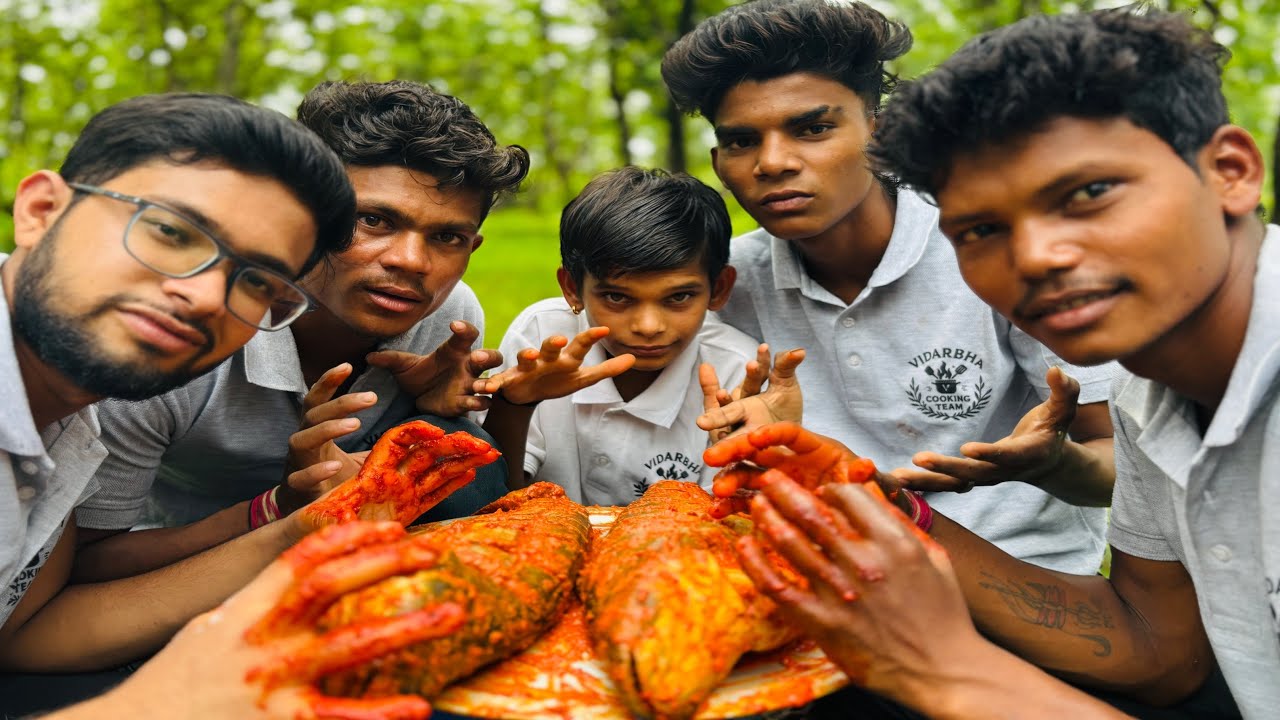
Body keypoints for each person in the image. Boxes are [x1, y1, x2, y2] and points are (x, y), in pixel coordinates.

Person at [722, 7, 1262, 718]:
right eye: (981, 229)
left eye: (1089, 194)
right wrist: (883, 507)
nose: (1034, 257)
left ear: (1230, 172)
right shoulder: (1153, 391)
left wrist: (950, 673)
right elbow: (1160, 656)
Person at [661, 0, 1118, 575]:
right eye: (741, 141)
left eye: (812, 128)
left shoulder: (989, 249)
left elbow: (1119, 464)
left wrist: (1054, 466)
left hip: (1024, 582)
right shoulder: (726, 282)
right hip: (828, 581)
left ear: (878, 131)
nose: (772, 162)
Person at [0, 92, 386, 702]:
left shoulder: (74, 419)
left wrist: (299, 527)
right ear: (41, 210)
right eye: (171, 232)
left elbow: (25, 633)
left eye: (256, 280)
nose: (206, 296)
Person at [71, 80, 530, 583]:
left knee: (463, 456)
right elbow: (86, 561)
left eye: (447, 237)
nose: (411, 262)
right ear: (302, 218)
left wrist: (427, 410)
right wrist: (281, 508)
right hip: (173, 562)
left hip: (347, 560)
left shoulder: (449, 316)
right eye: (374, 220)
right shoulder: (179, 333)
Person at [478, 167, 767, 505]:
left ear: (718, 289)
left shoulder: (736, 370)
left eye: (678, 297)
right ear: (573, 289)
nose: (648, 326)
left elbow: (724, 518)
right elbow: (498, 499)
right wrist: (516, 405)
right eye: (617, 297)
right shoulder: (543, 336)